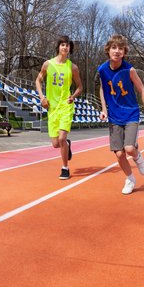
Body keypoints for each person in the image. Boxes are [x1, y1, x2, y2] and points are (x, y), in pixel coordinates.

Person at [96, 34, 144, 194]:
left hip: (130, 113)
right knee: (118, 154)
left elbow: (142, 89)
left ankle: (137, 156)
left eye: (120, 48)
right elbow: (102, 88)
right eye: (114, 48)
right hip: (114, 116)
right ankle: (130, 179)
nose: (117, 51)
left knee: (129, 148)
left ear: (124, 52)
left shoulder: (129, 70)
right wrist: (104, 109)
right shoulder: (102, 69)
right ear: (108, 50)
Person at [36, 35, 83, 180]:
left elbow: (80, 87)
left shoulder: (73, 67)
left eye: (67, 45)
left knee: (62, 138)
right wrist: (42, 97)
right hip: (52, 108)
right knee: (56, 144)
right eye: (63, 45)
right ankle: (66, 145)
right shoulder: (47, 65)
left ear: (70, 49)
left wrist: (73, 96)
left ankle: (65, 168)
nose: (65, 47)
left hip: (66, 107)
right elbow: (38, 80)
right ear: (58, 47)